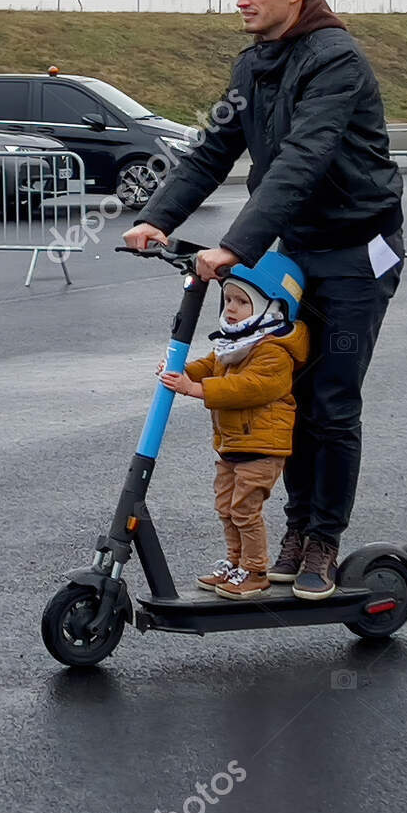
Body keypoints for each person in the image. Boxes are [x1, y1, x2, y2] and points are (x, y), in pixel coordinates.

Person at [124, 0, 404, 601]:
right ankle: (295, 528)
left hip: (359, 249)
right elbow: (211, 150)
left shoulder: (336, 60)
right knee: (284, 392)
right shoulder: (255, 65)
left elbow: (301, 161)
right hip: (298, 251)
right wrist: (158, 218)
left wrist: (236, 247)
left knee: (331, 401)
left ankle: (322, 541)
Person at [160, 255, 310, 600]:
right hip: (232, 444)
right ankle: (235, 561)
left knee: (245, 510)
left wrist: (196, 389)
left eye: (243, 302)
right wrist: (179, 369)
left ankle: (255, 570)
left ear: (271, 308)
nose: (231, 308)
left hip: (261, 447)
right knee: (226, 507)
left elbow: (250, 387)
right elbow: (211, 364)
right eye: (228, 299)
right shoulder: (236, 343)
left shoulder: (274, 351)